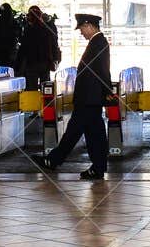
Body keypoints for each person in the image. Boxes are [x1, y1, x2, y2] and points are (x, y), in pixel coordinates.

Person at [42, 14, 111, 180]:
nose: (81, 33)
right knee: (95, 134)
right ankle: (98, 168)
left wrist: (108, 91)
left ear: (89, 25)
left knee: (74, 131)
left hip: (89, 98)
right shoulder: (96, 42)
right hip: (89, 98)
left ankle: (53, 160)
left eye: (81, 29)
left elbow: (103, 69)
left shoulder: (98, 43)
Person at [15, 3, 61, 87]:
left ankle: (33, 99)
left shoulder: (29, 30)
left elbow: (23, 48)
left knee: (32, 87)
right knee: (45, 86)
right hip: (45, 62)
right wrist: (54, 58)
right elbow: (53, 43)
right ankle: (46, 99)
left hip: (31, 63)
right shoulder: (46, 29)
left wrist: (18, 64)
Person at [0, 2, 21, 67]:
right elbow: (18, 34)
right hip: (11, 49)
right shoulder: (14, 21)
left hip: (0, 49)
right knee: (10, 69)